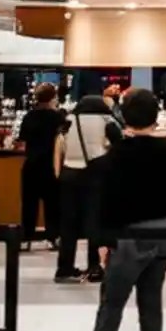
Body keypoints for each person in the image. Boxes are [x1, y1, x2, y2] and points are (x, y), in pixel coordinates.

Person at [63, 89, 166, 331]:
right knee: (151, 294)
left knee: (113, 300)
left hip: (130, 237)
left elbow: (106, 203)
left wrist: (104, 241)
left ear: (123, 116)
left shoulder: (115, 156)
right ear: (155, 117)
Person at [58, 94, 123, 283]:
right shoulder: (107, 121)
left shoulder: (69, 120)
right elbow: (119, 146)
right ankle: (94, 266)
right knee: (94, 220)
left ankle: (64, 267)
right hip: (95, 174)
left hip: (69, 173)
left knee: (68, 224)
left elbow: (61, 145)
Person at [17, 83, 64, 252]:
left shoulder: (29, 116)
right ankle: (53, 237)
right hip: (51, 165)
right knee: (52, 204)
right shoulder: (58, 117)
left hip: (31, 165)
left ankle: (26, 238)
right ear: (53, 98)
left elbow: (22, 142)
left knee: (29, 204)